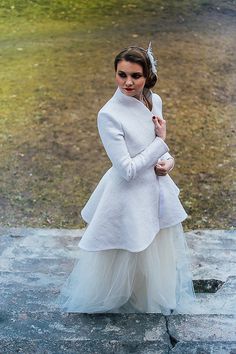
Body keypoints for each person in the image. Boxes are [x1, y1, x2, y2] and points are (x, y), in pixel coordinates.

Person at [57, 44, 196, 315]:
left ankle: (148, 297)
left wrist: (168, 163)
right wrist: (160, 142)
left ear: (148, 76)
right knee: (128, 250)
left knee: (155, 254)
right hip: (127, 196)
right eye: (122, 75)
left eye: (136, 76)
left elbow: (160, 150)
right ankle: (121, 296)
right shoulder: (109, 114)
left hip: (155, 192)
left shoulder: (154, 101)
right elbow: (127, 169)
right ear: (115, 74)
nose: (128, 82)